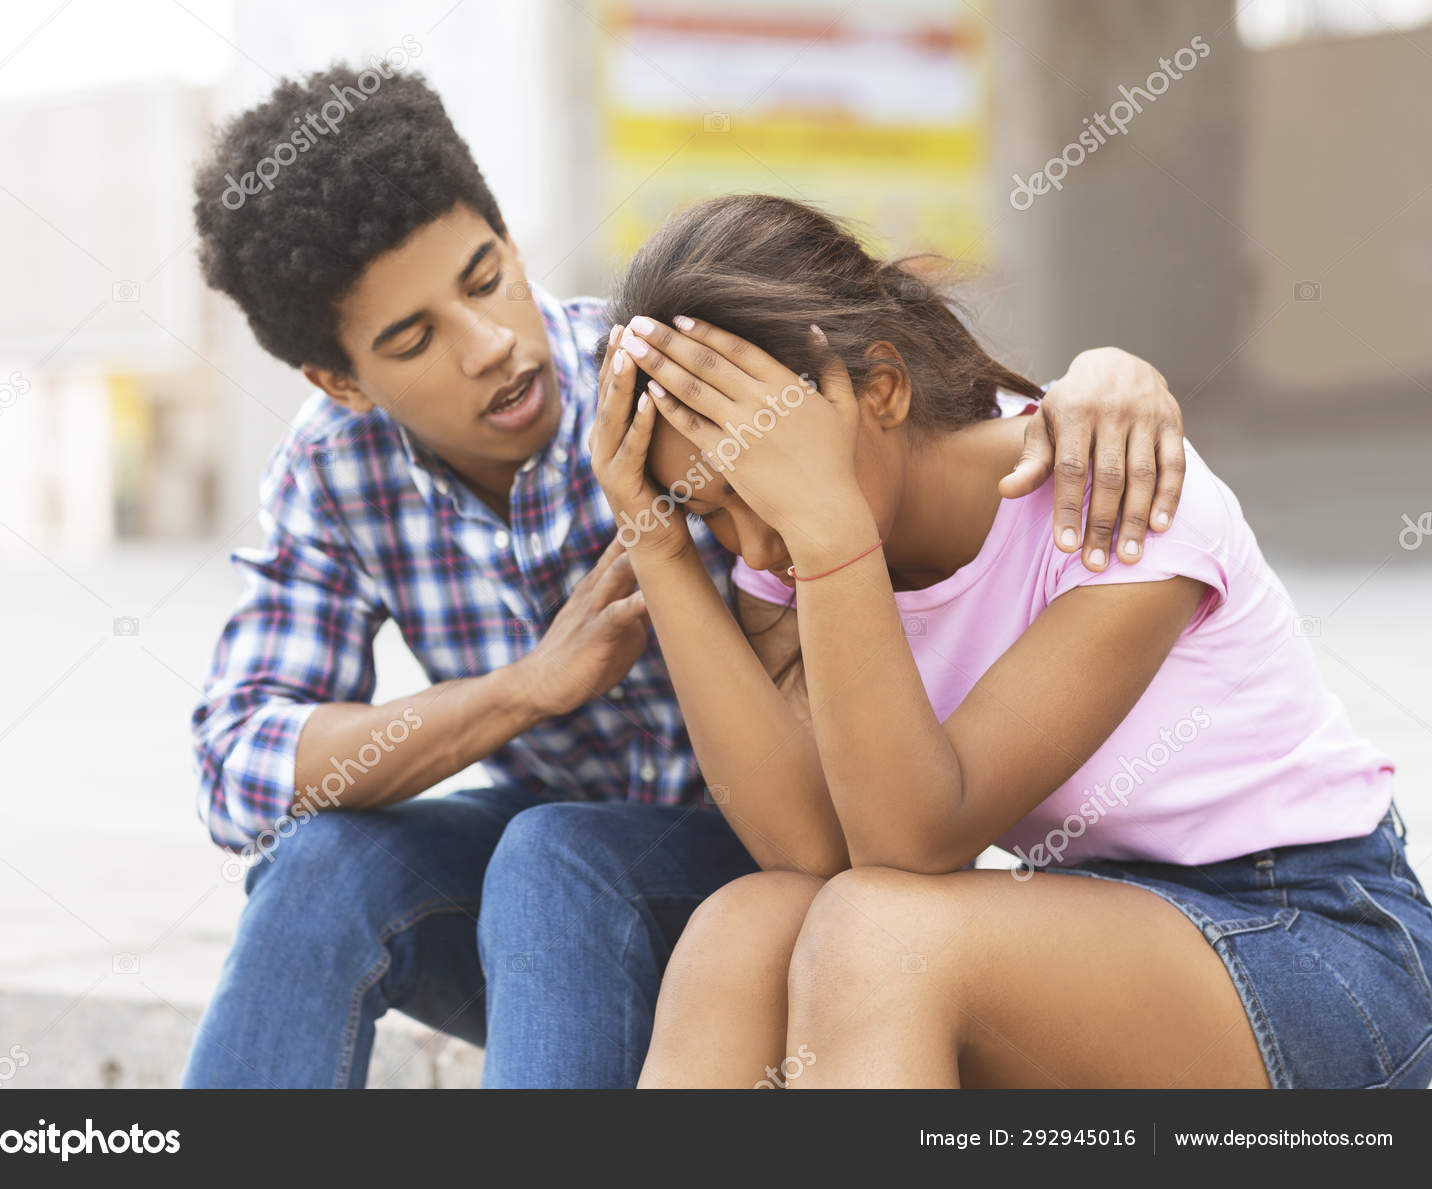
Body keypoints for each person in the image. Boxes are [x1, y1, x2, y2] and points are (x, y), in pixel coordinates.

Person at [183, 66, 1190, 1088]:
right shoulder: (331, 472)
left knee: (554, 853)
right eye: (413, 338)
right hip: (551, 938)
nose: (488, 347)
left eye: (485, 279)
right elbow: (238, 767)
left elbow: (891, 407)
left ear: (510, 240)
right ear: (342, 381)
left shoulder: (672, 383)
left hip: (758, 887)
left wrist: (1102, 380)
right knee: (322, 866)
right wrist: (524, 689)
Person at [591, 193, 1432, 1090]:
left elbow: (913, 845)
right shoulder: (786, 553)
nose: (756, 548)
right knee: (746, 926)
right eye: (714, 512)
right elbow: (811, 853)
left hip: (1316, 937)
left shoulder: (1112, 492)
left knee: (880, 937)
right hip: (1085, 926)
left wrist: (830, 531)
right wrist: (662, 547)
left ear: (881, 388)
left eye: (759, 487)